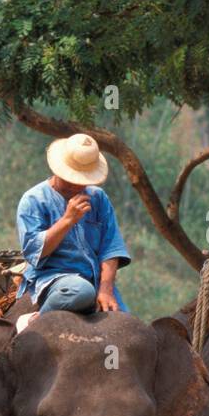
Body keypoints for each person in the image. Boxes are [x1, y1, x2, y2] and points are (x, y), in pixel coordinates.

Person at [15, 132, 130, 314]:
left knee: (128, 327)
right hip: (54, 279)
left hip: (95, 280)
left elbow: (111, 248)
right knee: (81, 292)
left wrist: (106, 289)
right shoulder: (33, 200)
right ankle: (39, 322)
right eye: (71, 178)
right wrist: (68, 219)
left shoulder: (98, 198)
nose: (76, 185)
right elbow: (34, 252)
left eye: (82, 180)